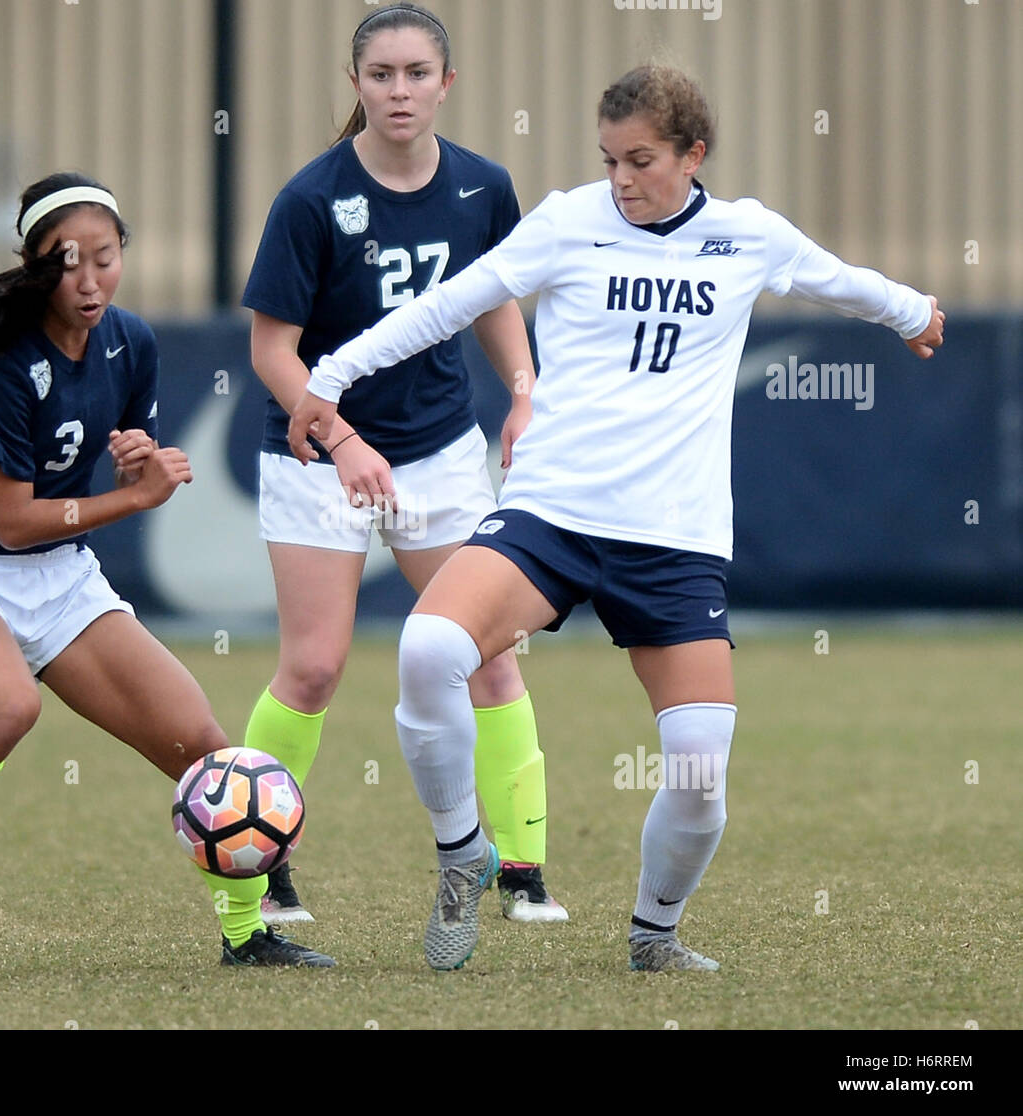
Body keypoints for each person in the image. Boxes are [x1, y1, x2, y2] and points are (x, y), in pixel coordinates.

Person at [290, 64, 945, 971]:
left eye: (641, 161)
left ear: (694, 155)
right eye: (610, 160)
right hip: (552, 516)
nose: (622, 180)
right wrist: (329, 379)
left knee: (699, 771)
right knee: (427, 648)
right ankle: (461, 853)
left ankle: (654, 933)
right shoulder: (567, 222)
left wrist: (913, 311)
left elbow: (840, 281)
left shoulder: (744, 236)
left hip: (675, 541)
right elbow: (445, 306)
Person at [0, 171, 332, 980]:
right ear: (35, 265)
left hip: (60, 575)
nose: (89, 279)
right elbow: (10, 520)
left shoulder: (130, 341)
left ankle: (248, 934)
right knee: (7, 708)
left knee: (204, 747)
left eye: (105, 258)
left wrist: (139, 459)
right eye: (66, 262)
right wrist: (133, 496)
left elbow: (126, 446)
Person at [222, 1, 568, 959]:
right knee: (316, 665)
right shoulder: (311, 198)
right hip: (317, 457)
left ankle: (523, 871)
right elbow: (272, 352)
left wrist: (523, 391)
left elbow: (493, 300)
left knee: (487, 652)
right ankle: (264, 852)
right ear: (356, 85)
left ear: (446, 84)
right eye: (382, 75)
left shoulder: (483, 187)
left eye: (418, 73)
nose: (401, 90)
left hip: (440, 453)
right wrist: (340, 439)